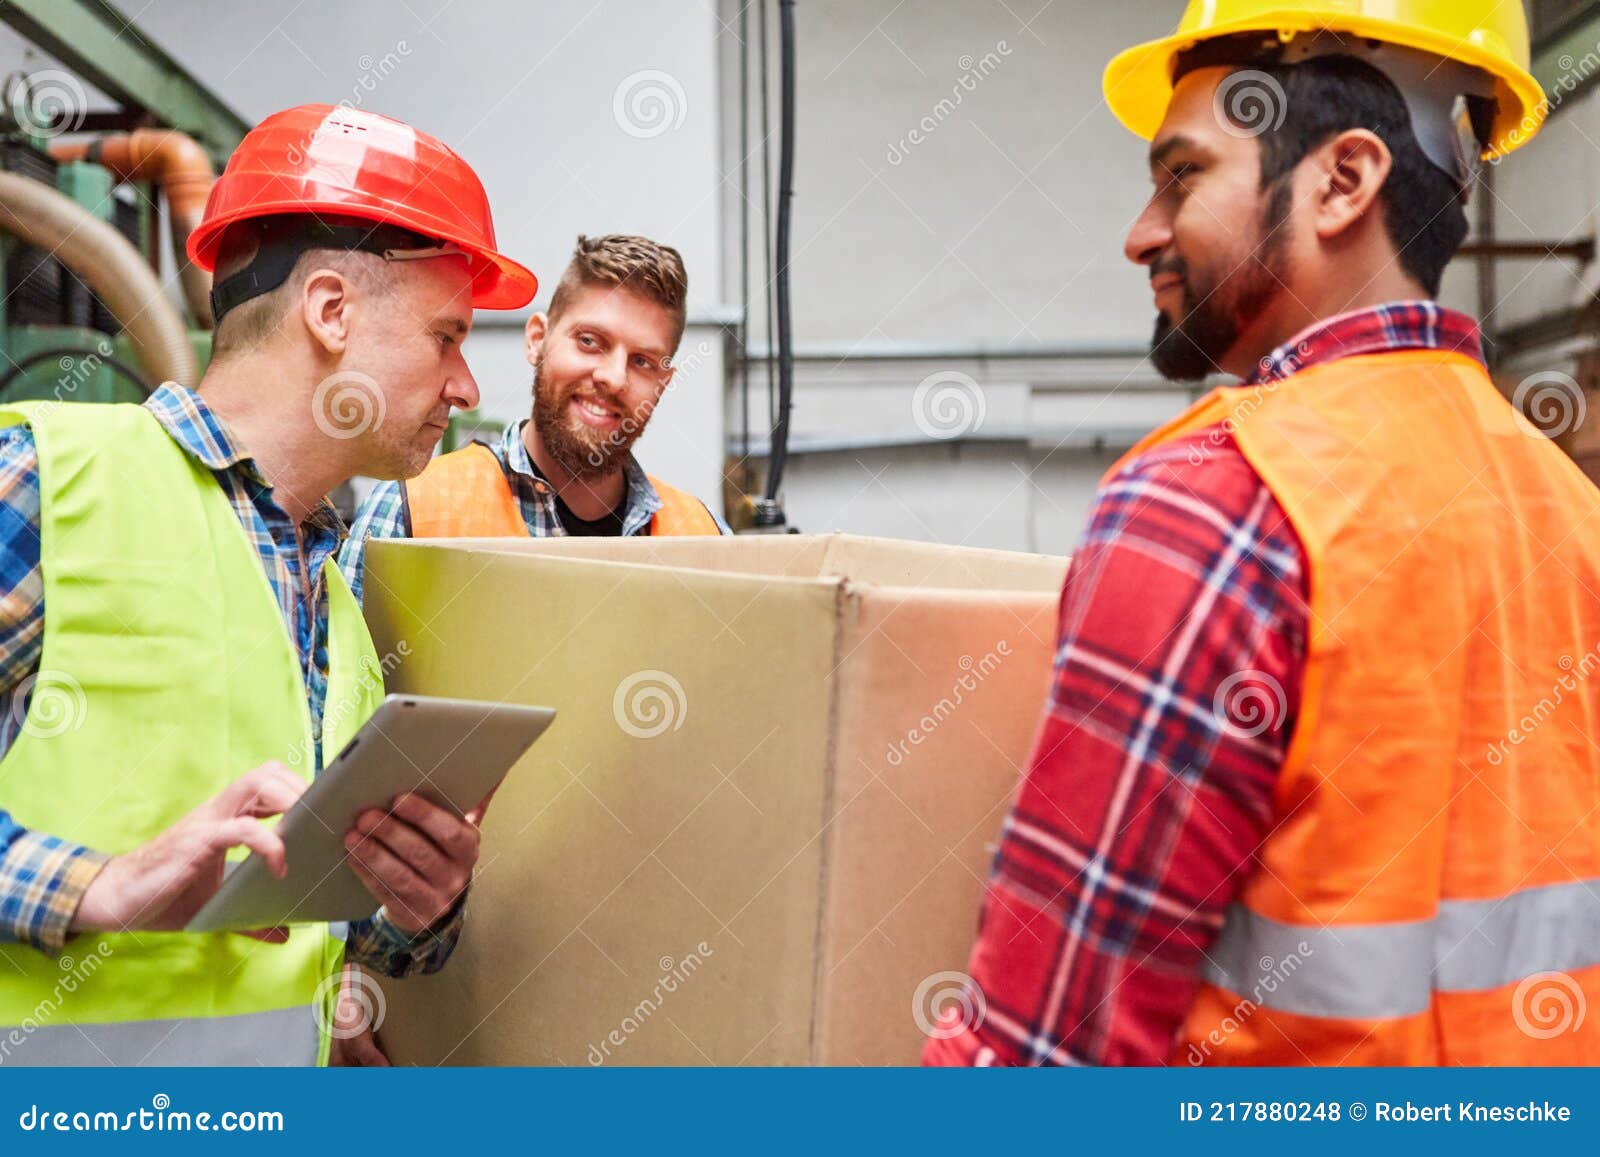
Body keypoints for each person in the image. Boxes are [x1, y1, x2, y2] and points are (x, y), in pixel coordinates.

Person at [927, 0, 1600, 1065]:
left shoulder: (1217, 498)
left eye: (1182, 175)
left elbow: (1051, 1050)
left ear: (1342, 180)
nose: (1141, 233)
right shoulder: (1569, 509)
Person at [0, 103, 537, 1065]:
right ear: (331, 311)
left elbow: (318, 931)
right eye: (446, 336)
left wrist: (416, 905)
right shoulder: (52, 480)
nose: (465, 386)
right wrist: (96, 884)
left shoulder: (336, 594)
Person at [342, 233, 723, 604]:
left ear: (663, 382)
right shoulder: (408, 511)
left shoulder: (708, 539)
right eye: (590, 341)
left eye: (642, 361)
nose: (614, 378)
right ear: (537, 340)